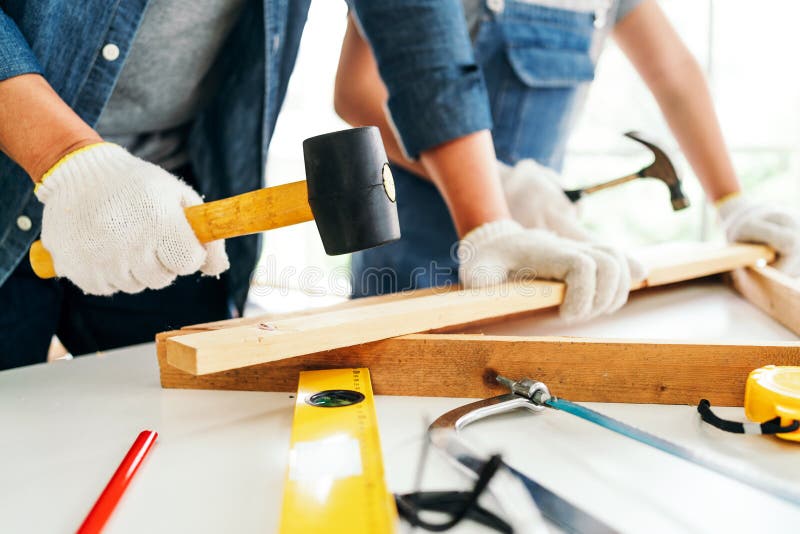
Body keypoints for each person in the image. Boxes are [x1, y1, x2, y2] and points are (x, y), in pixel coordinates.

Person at [0, 0, 499, 369]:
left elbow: (420, 34)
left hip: (167, 212)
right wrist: (68, 157)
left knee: (183, 433)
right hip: (10, 178)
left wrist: (490, 227)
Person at [335, 0, 800, 309]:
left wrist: (730, 201)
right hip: (413, 261)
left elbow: (674, 74)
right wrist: (502, 186)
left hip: (533, 257)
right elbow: (356, 93)